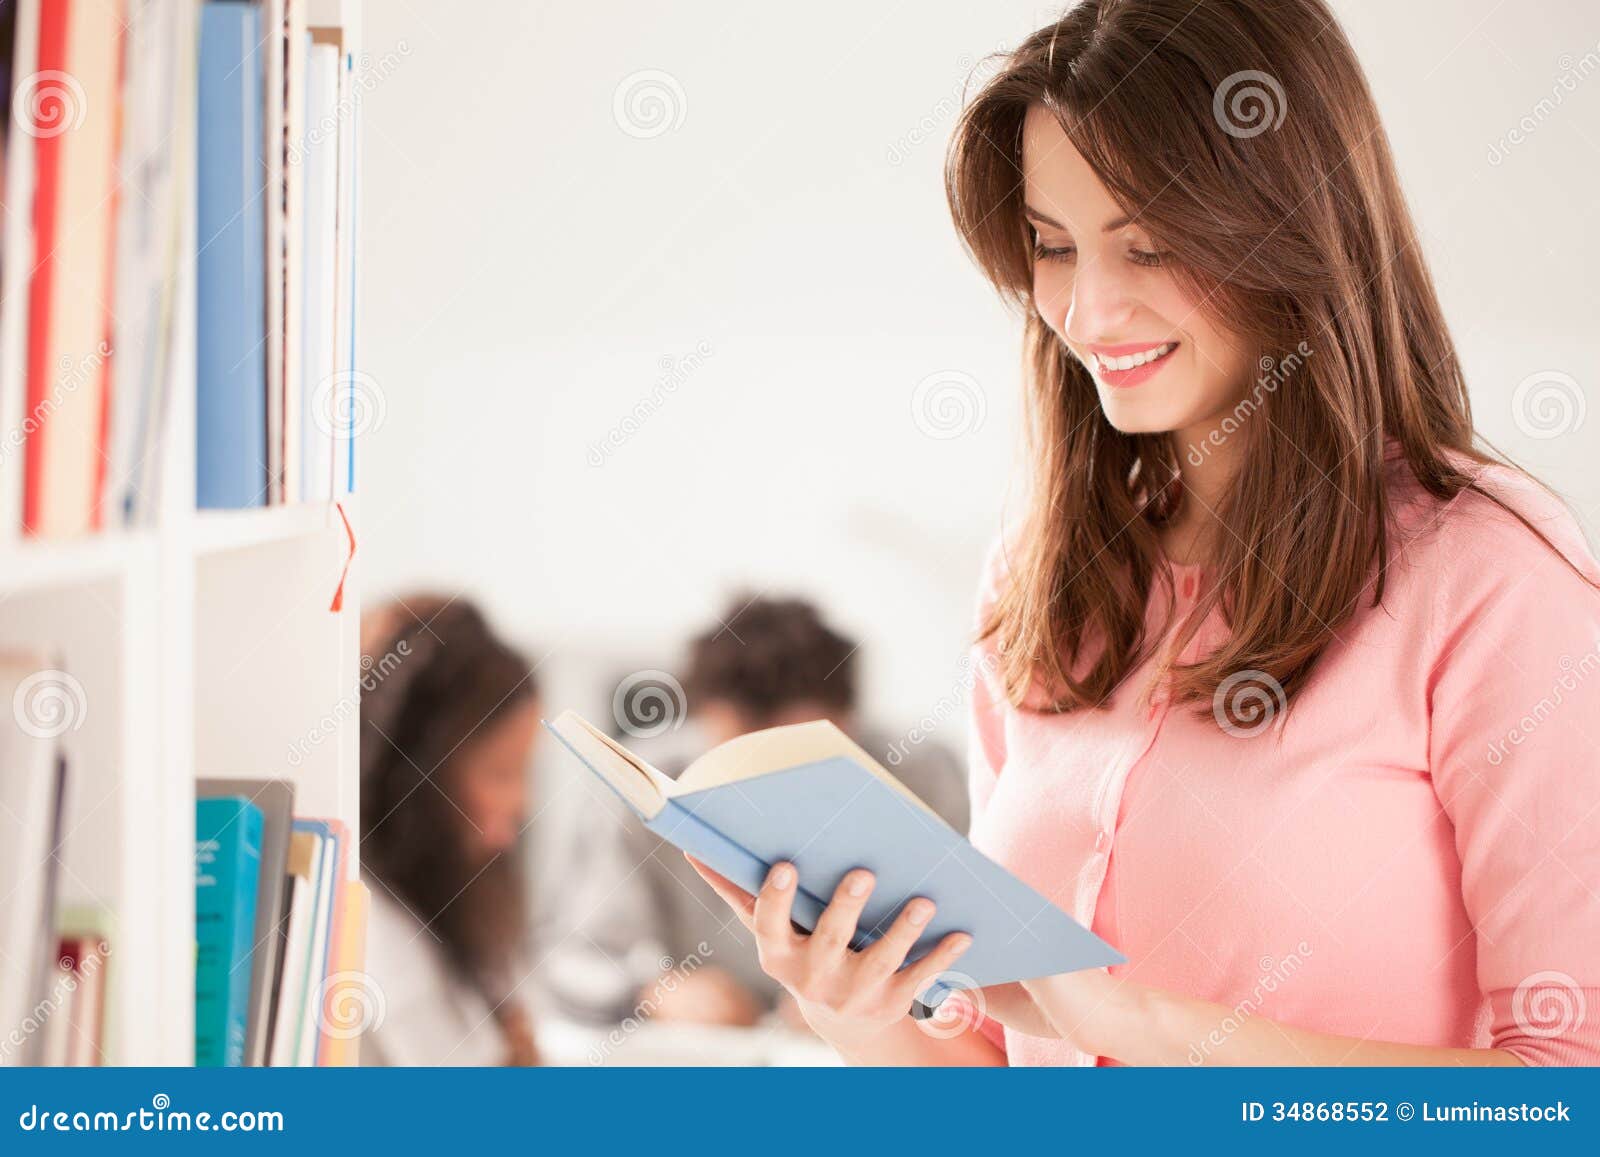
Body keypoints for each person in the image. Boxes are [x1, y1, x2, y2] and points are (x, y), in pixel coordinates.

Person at [690, 0, 1600, 1066]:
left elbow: (1561, 1091)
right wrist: (858, 1010)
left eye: (1150, 245)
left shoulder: (1490, 583)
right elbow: (991, 1076)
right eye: (1052, 246)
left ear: (1290, 226)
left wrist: (1156, 1029)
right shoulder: (1037, 579)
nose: (1088, 311)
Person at [539, 595, 968, 1033]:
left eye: (804, 765)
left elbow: (969, 960)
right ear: (707, 727)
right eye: (744, 767)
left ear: (848, 723)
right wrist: (653, 991)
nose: (776, 800)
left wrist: (883, 1000)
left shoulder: (923, 774)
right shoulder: (644, 787)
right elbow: (570, 959)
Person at [359, 596, 542, 1066]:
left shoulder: (457, 905)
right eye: (501, 772)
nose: (519, 803)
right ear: (422, 775)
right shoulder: (379, 943)